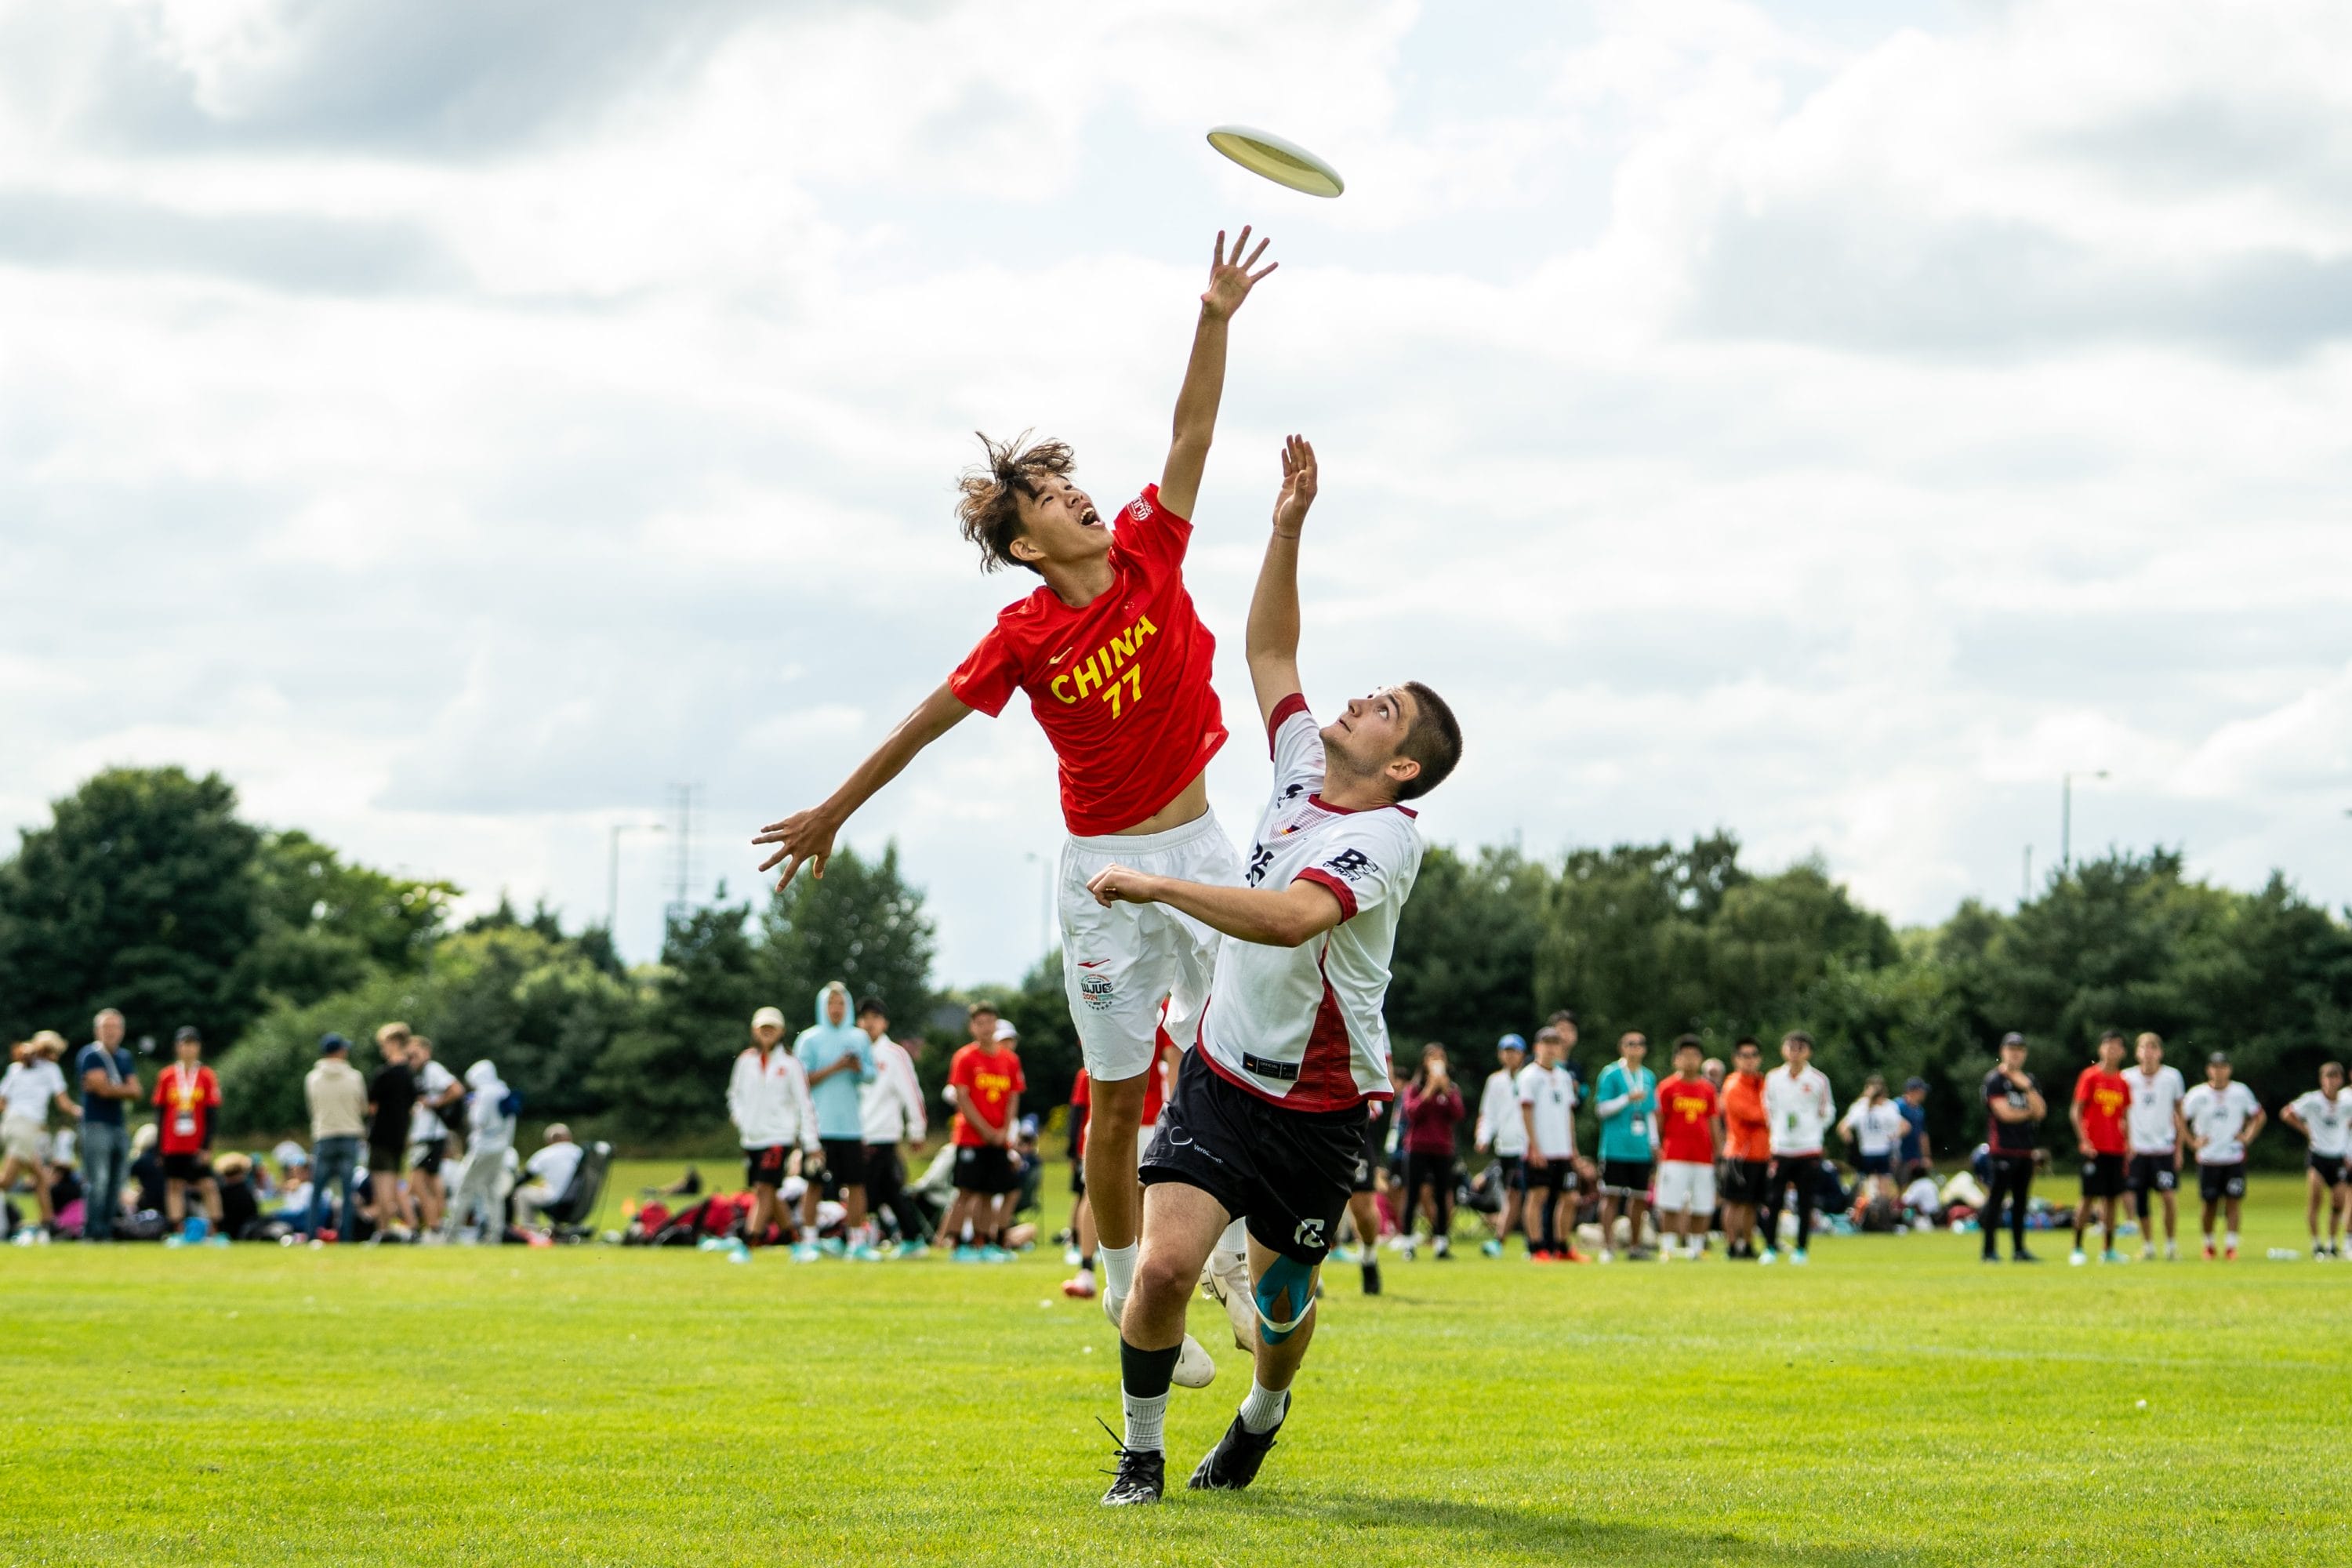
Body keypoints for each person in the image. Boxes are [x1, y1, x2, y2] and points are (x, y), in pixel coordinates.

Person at [755, 230, 1280, 1331]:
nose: (1078, 496)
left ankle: (1226, 1255)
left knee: (1241, 1059)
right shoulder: (1022, 634)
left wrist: (1215, 317)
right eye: (1050, 494)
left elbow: (1192, 431)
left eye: (1071, 480)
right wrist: (832, 813)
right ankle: (1132, 1293)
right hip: (1103, 874)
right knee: (1121, 1094)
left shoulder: (1149, 547)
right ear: (1028, 544)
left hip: (1202, 852)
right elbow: (923, 726)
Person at [1080, 431, 1460, 1505]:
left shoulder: (1387, 840)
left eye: (1381, 710)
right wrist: (1288, 526)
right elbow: (1270, 655)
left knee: (1286, 1302)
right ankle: (1141, 1457)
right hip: (1221, 1072)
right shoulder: (1302, 768)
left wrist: (1159, 889)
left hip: (1324, 1103)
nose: (1354, 702)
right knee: (1159, 1269)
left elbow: (1292, 921)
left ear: (1399, 767)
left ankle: (1262, 1413)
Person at [792, 980, 877, 1258]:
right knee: (814, 1183)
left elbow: (870, 1075)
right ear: (822, 1006)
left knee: (855, 1185)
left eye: (841, 1003)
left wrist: (855, 1067)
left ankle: (857, 1242)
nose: (836, 1009)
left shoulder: (859, 1038)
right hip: (819, 1126)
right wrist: (836, 1067)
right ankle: (809, 1241)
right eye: (831, 1003)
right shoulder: (809, 1039)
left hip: (850, 1126)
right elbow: (801, 1079)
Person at [726, 1006, 818, 1254]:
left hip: (778, 1136)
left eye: (772, 1027)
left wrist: (811, 1143)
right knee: (769, 1189)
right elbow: (735, 1095)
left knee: (764, 1188)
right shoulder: (745, 1061)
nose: (767, 1032)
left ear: (781, 1031)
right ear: (754, 1030)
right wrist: (741, 1120)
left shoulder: (790, 1064)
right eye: (762, 1027)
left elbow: (804, 1104)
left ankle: (749, 1241)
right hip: (752, 1137)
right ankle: (794, 1240)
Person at [943, 1004, 1025, 1262]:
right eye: (980, 1023)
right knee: (966, 1191)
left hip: (999, 1138)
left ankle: (984, 1241)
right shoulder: (965, 1058)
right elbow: (963, 1098)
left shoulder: (1009, 1060)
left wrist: (1003, 1130)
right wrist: (986, 1130)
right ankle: (957, 1243)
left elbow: (1013, 1096)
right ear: (972, 1027)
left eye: (990, 1022)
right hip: (971, 1137)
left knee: (991, 1192)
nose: (986, 1028)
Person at [856, 997, 929, 1257]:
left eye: (875, 1018)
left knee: (868, 1191)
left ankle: (859, 1239)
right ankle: (912, 1238)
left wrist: (916, 1129)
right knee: (890, 1190)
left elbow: (912, 1093)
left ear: (884, 1022)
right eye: (865, 1018)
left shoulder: (894, 1054)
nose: (869, 1023)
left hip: (883, 1133)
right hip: (858, 1133)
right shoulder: (854, 1052)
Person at [2180, 1053, 2264, 1261]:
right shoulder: (2198, 1094)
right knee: (2209, 1203)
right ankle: (2208, 1245)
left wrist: (2247, 1137)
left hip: (2233, 1156)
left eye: (2223, 1067)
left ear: (2229, 1069)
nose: (2219, 1071)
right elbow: (2179, 1118)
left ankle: (2230, 1246)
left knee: (2233, 1202)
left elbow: (2258, 1115)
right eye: (2215, 1067)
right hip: (2208, 1157)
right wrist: (2192, 1142)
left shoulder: (2240, 1092)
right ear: (2209, 1070)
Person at [1760, 1031, 1834, 1265]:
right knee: (1774, 1199)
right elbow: (1767, 1108)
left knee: (1805, 1201)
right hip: (1781, 1147)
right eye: (1791, 1047)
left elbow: (1827, 1111)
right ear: (1783, 1049)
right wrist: (1778, 1131)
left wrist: (1813, 1131)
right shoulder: (1773, 1078)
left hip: (1808, 1148)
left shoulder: (1818, 1080)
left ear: (1809, 1052)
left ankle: (1801, 1249)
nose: (1795, 1052)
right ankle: (1770, 1247)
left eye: (1801, 1047)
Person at [1519, 1025, 1585, 1261]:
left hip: (1562, 1149)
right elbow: (1526, 1113)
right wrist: (1534, 1145)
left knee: (1569, 1197)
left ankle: (1562, 1246)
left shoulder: (1564, 1076)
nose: (1550, 1049)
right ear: (1537, 1047)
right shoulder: (1529, 1076)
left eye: (1555, 1044)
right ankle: (1536, 1247)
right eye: (1546, 1044)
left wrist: (1573, 1148)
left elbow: (1568, 1115)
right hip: (1540, 1149)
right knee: (1538, 1197)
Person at [1, 1033, 78, 1235]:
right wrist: (80, 1112)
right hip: (26, 1127)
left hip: (10, 1124)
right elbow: (63, 1103)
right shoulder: (51, 1070)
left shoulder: (16, 1069)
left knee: (40, 1177)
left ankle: (48, 1223)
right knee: (7, 1181)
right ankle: (48, 1224)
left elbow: (2, 1102)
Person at [74, 1009, 140, 1243]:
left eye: (114, 1027)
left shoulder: (125, 1057)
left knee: (116, 1181)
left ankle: (107, 1229)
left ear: (121, 1031)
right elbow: (106, 1089)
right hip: (96, 1125)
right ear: (97, 1031)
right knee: (98, 1180)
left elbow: (136, 1091)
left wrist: (109, 1087)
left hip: (118, 1125)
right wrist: (118, 1088)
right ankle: (92, 1231)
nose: (110, 1032)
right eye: (106, 1027)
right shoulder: (90, 1055)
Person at [1980, 1031, 2045, 1264]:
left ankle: (2019, 1249)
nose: (2015, 1054)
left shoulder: (2029, 1081)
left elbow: (2041, 1112)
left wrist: (2027, 1088)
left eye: (2019, 1050)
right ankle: (1988, 1250)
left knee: (2021, 1203)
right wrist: (2028, 1112)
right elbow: (2004, 1113)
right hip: (2002, 1150)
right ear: (2003, 1052)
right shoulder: (1995, 1081)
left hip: (2025, 1150)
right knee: (1996, 1201)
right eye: (2011, 1050)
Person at [151, 1026, 223, 1239]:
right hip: (172, 1143)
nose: (188, 1048)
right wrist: (159, 1148)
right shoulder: (167, 1076)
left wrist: (206, 1145)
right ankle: (177, 1229)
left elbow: (212, 1114)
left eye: (192, 1044)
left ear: (198, 1047)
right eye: (184, 1044)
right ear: (177, 1047)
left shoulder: (206, 1076)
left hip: (196, 1142)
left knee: (207, 1185)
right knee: (174, 1185)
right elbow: (160, 1114)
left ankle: (216, 1229)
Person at [1592, 1031, 1657, 1263]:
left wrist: (1654, 1144)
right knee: (1611, 1196)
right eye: (1631, 1044)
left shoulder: (1648, 1076)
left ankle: (1635, 1246)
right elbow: (1601, 1109)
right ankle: (1608, 1246)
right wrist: (1627, 1099)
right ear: (1622, 1047)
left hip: (1640, 1148)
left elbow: (1650, 1113)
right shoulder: (1611, 1074)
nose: (1635, 1048)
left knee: (1640, 1198)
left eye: (1640, 1044)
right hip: (1615, 1147)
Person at [2069, 1032, 2133, 1265]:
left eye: (2117, 1046)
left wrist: (2129, 1143)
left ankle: (2108, 1250)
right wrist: (2084, 1140)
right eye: (2108, 1046)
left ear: (2123, 1052)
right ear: (2100, 1049)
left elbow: (2125, 1116)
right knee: (2087, 1197)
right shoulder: (2090, 1077)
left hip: (2115, 1148)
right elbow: (2076, 1111)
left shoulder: (2122, 1082)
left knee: (2111, 1199)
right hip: (2093, 1149)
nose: (2112, 1050)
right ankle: (2077, 1248)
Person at [1396, 1043, 1465, 1261]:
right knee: (1413, 1193)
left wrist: (1445, 1089)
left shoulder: (1451, 1088)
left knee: (1444, 1193)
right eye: (1432, 1058)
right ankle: (1408, 1242)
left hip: (1443, 1148)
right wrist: (1429, 1091)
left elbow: (1458, 1114)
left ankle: (1442, 1242)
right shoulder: (1414, 1088)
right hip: (1417, 1147)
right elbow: (1411, 1112)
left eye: (1441, 1058)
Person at [2123, 1031, 2187, 1261]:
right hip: (2138, 1149)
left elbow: (2180, 1114)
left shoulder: (2172, 1077)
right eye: (2143, 1048)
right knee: (2141, 1199)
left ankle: (2170, 1245)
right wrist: (2126, 1144)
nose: (2148, 1053)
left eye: (2153, 1048)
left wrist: (2179, 1148)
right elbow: (2122, 1115)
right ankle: (2148, 1245)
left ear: (2160, 1052)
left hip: (2164, 1149)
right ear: (2137, 1052)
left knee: (2168, 1196)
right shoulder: (2127, 1078)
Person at [1653, 1036, 1719, 1260]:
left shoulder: (1707, 1089)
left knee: (1702, 1204)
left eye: (1695, 1055)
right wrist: (1658, 1148)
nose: (1690, 1060)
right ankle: (1668, 1248)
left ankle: (1696, 1249)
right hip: (1674, 1155)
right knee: (1670, 1202)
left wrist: (1719, 1152)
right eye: (1685, 1055)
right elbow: (1659, 1122)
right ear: (1676, 1060)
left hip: (1703, 1156)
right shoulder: (1667, 1087)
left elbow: (1713, 1122)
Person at [2281, 1062, 2351, 1259]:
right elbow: (2287, 1113)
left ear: (2340, 1080)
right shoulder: (2313, 1100)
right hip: (2318, 1155)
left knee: (2338, 1202)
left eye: (2335, 1077)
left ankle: (2331, 1244)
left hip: (2337, 1156)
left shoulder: (2346, 1103)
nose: (2331, 1081)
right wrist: (2306, 1130)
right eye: (2328, 1077)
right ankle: (2316, 1244)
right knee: (2316, 1199)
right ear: (2322, 1080)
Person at [443, 1060, 517, 1242]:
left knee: (463, 1188)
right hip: (500, 1148)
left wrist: (473, 1107)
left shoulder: (485, 1094)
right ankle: (495, 1234)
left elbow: (480, 1120)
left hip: (483, 1147)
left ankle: (451, 1234)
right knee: (492, 1191)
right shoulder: (503, 1090)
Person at [303, 1033, 368, 1239]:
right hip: (349, 1136)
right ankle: (346, 1237)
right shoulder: (355, 1076)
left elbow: (312, 1108)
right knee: (348, 1192)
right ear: (340, 1051)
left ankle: (311, 1234)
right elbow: (363, 1107)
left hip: (324, 1135)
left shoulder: (312, 1078)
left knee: (317, 1192)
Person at [1473, 1034, 1530, 1258]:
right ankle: (1504, 1240)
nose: (1510, 1055)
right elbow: (1489, 1114)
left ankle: (1529, 1240)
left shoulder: (1529, 1077)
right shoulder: (1495, 1081)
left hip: (1526, 1146)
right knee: (1513, 1194)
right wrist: (1483, 1137)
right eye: (1506, 1051)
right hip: (1506, 1147)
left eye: (1514, 1051)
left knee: (1525, 1194)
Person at [364, 1022, 419, 1240]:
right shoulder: (410, 1075)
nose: (382, 1050)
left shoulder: (385, 1074)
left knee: (382, 1185)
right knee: (396, 1184)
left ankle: (384, 1230)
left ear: (394, 1044)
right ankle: (413, 1226)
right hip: (400, 1136)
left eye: (384, 1045)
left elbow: (371, 1107)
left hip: (382, 1135)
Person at [1719, 1037, 1771, 1260]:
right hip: (1740, 1153)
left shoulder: (1763, 1083)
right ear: (1735, 1059)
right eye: (1744, 1055)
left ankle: (1748, 1245)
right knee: (1734, 1201)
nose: (1749, 1060)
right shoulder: (1733, 1085)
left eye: (1753, 1055)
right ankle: (1732, 1245)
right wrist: (1771, 1113)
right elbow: (1754, 1114)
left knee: (1752, 1203)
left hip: (1762, 1152)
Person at [405, 1035, 463, 1234]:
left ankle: (433, 1222)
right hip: (431, 1135)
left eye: (415, 1054)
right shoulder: (421, 1073)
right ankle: (437, 1219)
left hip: (429, 1135)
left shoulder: (432, 1069)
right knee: (432, 1178)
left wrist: (434, 1103)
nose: (411, 1058)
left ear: (426, 1052)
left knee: (417, 1181)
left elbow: (456, 1090)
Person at [1838, 1073, 1907, 1212]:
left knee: (1862, 1185)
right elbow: (1904, 1126)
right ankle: (1881, 1214)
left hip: (1867, 1150)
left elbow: (1843, 1128)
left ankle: (1861, 1213)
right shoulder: (1886, 1107)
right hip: (1881, 1150)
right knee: (1882, 1186)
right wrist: (1893, 1137)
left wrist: (1852, 1145)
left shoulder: (1861, 1107)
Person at [514, 1124, 584, 1233]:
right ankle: (555, 1228)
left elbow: (526, 1177)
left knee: (522, 1193)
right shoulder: (580, 1152)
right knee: (547, 1187)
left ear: (550, 1140)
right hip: (578, 1200)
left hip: (556, 1200)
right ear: (568, 1137)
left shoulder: (545, 1154)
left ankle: (531, 1230)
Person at [1896, 1076, 1933, 1181]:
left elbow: (1922, 1135)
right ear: (1914, 1091)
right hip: (1899, 1154)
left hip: (1914, 1156)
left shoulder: (1920, 1111)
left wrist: (1926, 1156)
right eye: (1922, 1090)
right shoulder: (1897, 1106)